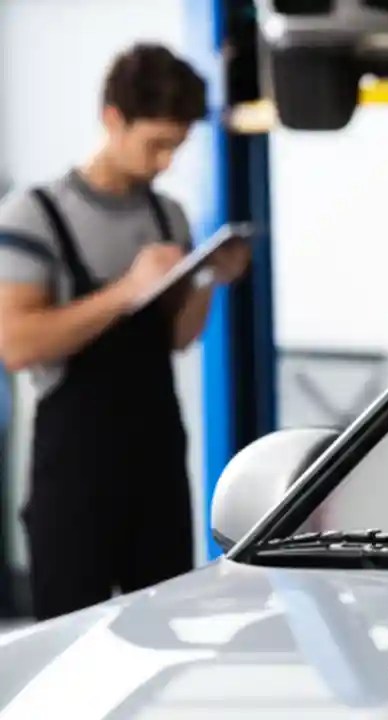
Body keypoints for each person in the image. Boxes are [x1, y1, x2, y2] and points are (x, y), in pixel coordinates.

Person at [0, 43, 251, 621]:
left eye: (176, 147)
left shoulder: (170, 218)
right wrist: (124, 291)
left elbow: (178, 339)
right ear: (113, 119)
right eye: (155, 144)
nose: (165, 162)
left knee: (163, 638)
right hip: (74, 480)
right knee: (67, 651)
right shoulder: (33, 216)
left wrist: (209, 277)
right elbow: (17, 345)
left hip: (158, 469)